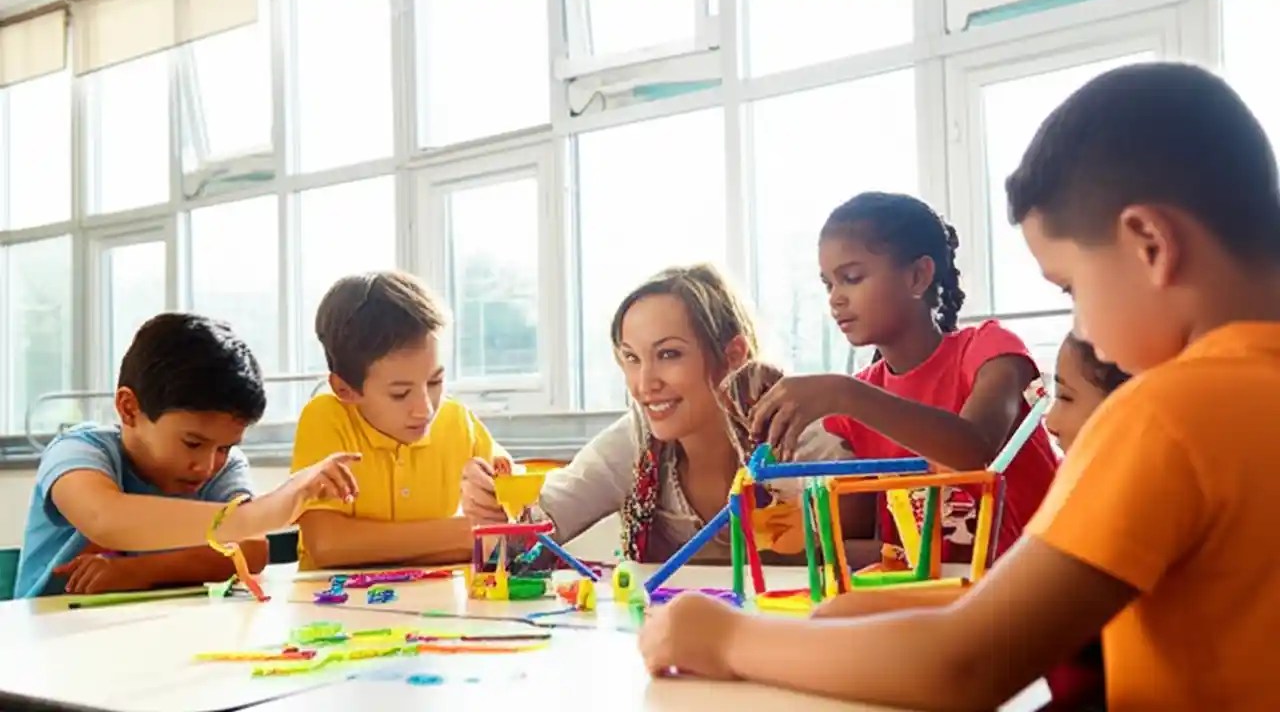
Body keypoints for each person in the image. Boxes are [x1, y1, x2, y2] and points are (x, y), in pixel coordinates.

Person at [638, 62, 1280, 711]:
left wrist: (725, 638)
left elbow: (967, 666)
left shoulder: (1166, 415)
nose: (1081, 327)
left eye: (1071, 288)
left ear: (1150, 245)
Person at [812, 332, 1130, 710]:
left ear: (1129, 405)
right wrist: (877, 603)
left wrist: (881, 605)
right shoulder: (1082, 487)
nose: (1051, 421)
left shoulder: (1115, 504)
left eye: (1067, 398)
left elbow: (1020, 611)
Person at [462, 264, 849, 562]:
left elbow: (862, 551)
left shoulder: (798, 435)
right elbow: (534, 530)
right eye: (631, 358)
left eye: (668, 354)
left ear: (733, 356)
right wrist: (496, 507)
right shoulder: (637, 441)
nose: (644, 383)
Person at [749, 191, 1058, 565]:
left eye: (851, 278)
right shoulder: (853, 410)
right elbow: (879, 546)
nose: (835, 299)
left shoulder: (990, 350)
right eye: (828, 284)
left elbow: (975, 452)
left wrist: (844, 393)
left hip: (1041, 580)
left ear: (917, 277)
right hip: (942, 594)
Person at [16, 313, 357, 598]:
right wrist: (262, 513)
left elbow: (252, 550)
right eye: (193, 443)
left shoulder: (223, 467)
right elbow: (104, 518)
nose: (206, 466)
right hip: (44, 637)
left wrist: (137, 571)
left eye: (225, 447)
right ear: (129, 408)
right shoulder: (80, 449)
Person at [292, 271, 507, 570]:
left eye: (435, 382)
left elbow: (515, 517)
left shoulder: (457, 421)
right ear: (345, 389)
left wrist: (493, 498)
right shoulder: (326, 418)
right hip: (334, 597)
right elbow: (328, 545)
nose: (425, 410)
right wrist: (466, 533)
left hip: (434, 596)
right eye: (400, 393)